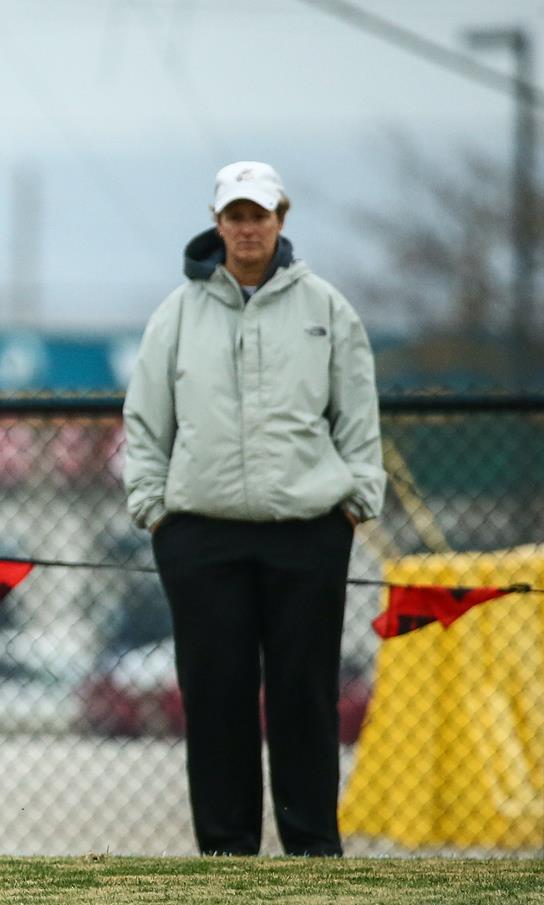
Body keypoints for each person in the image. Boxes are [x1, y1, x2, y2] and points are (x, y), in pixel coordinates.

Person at [123, 160, 384, 857]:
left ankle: (311, 844)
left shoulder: (327, 310)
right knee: (216, 695)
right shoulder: (176, 313)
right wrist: (156, 511)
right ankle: (227, 847)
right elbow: (146, 421)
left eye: (259, 214)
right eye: (235, 215)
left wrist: (356, 501)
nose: (247, 228)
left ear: (281, 219)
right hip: (200, 534)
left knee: (305, 692)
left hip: (308, 532)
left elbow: (357, 414)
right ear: (218, 223)